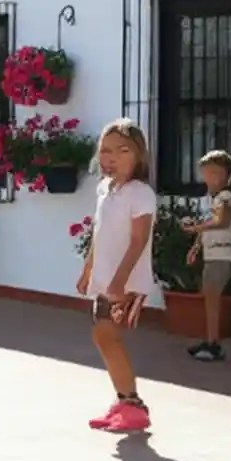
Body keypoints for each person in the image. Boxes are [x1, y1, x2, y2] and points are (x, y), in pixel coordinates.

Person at [75, 119, 156, 433]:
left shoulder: (140, 193)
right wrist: (88, 268)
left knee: (107, 335)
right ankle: (124, 402)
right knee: (104, 336)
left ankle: (133, 405)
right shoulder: (105, 190)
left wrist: (120, 281)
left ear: (138, 156)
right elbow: (99, 233)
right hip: (104, 277)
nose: (111, 158)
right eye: (105, 151)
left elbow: (138, 241)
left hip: (126, 281)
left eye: (122, 151)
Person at [183, 150, 231, 362]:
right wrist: (196, 247)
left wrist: (195, 229)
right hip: (212, 252)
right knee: (209, 298)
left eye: (215, 173)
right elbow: (209, 225)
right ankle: (210, 340)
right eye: (207, 173)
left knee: (213, 298)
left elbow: (222, 222)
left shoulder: (226, 198)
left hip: (222, 253)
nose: (210, 178)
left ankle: (214, 344)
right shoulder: (211, 200)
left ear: (227, 175)